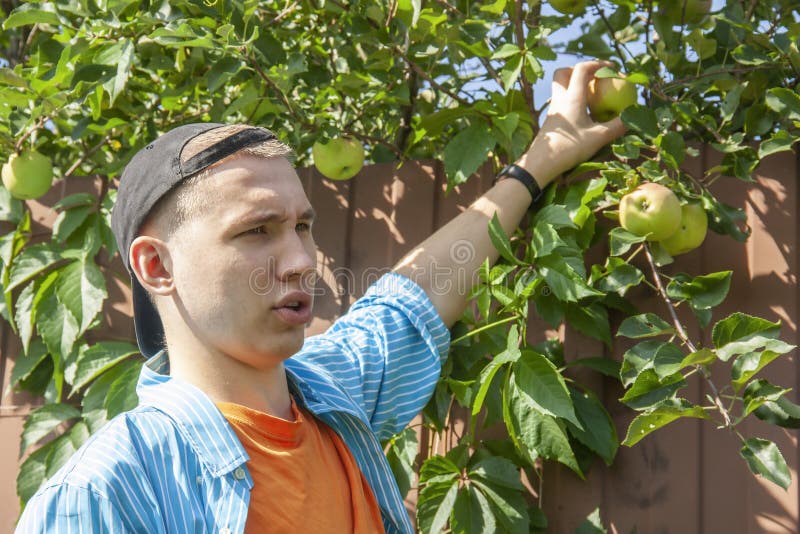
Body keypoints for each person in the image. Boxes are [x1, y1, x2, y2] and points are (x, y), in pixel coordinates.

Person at [15, 61, 624, 533]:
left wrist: (540, 162)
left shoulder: (332, 392)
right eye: (257, 231)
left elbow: (413, 298)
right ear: (157, 265)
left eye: (302, 226)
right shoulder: (105, 491)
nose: (304, 261)